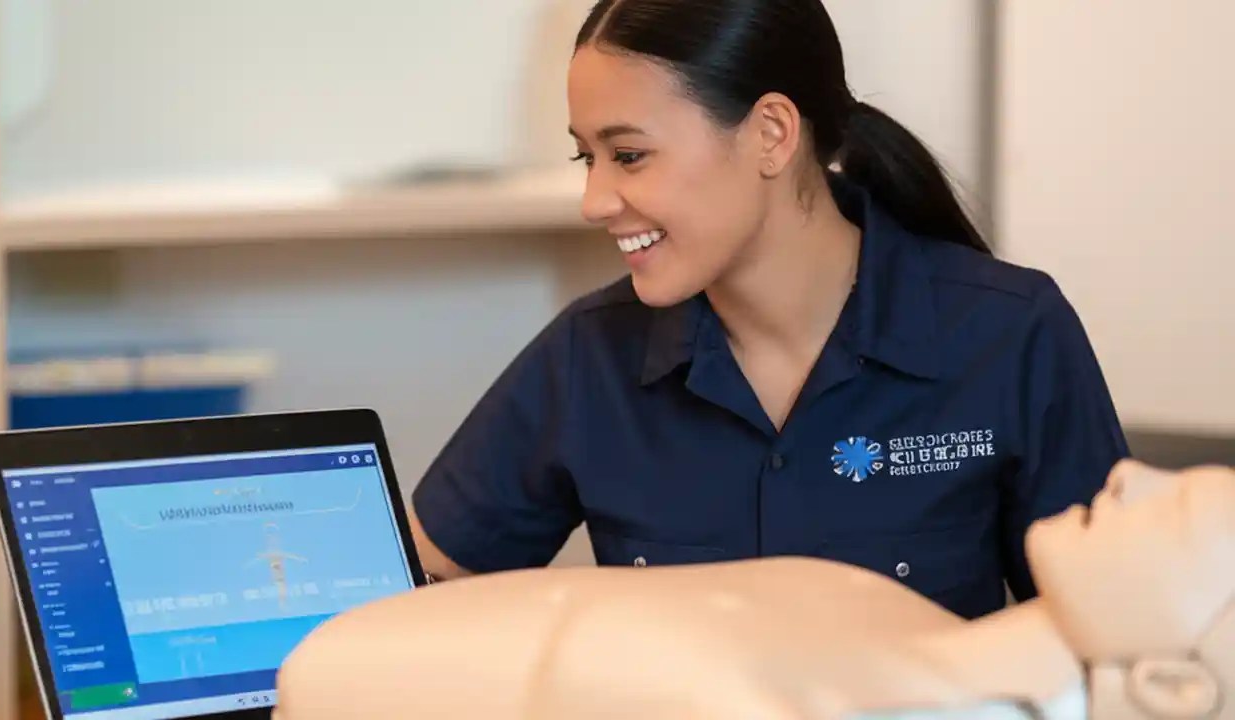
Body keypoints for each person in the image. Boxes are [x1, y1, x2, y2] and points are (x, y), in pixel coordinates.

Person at [409, 0, 1129, 620]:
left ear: (771, 134)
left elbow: (1117, 648)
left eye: (627, 156)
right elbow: (414, 594)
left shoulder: (1010, 333)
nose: (595, 201)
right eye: (584, 159)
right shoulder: (588, 354)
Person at [275, 460, 1235, 719]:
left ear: (1176, 687)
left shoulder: (765, 699)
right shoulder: (858, 604)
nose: (1133, 477)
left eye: (1187, 514)